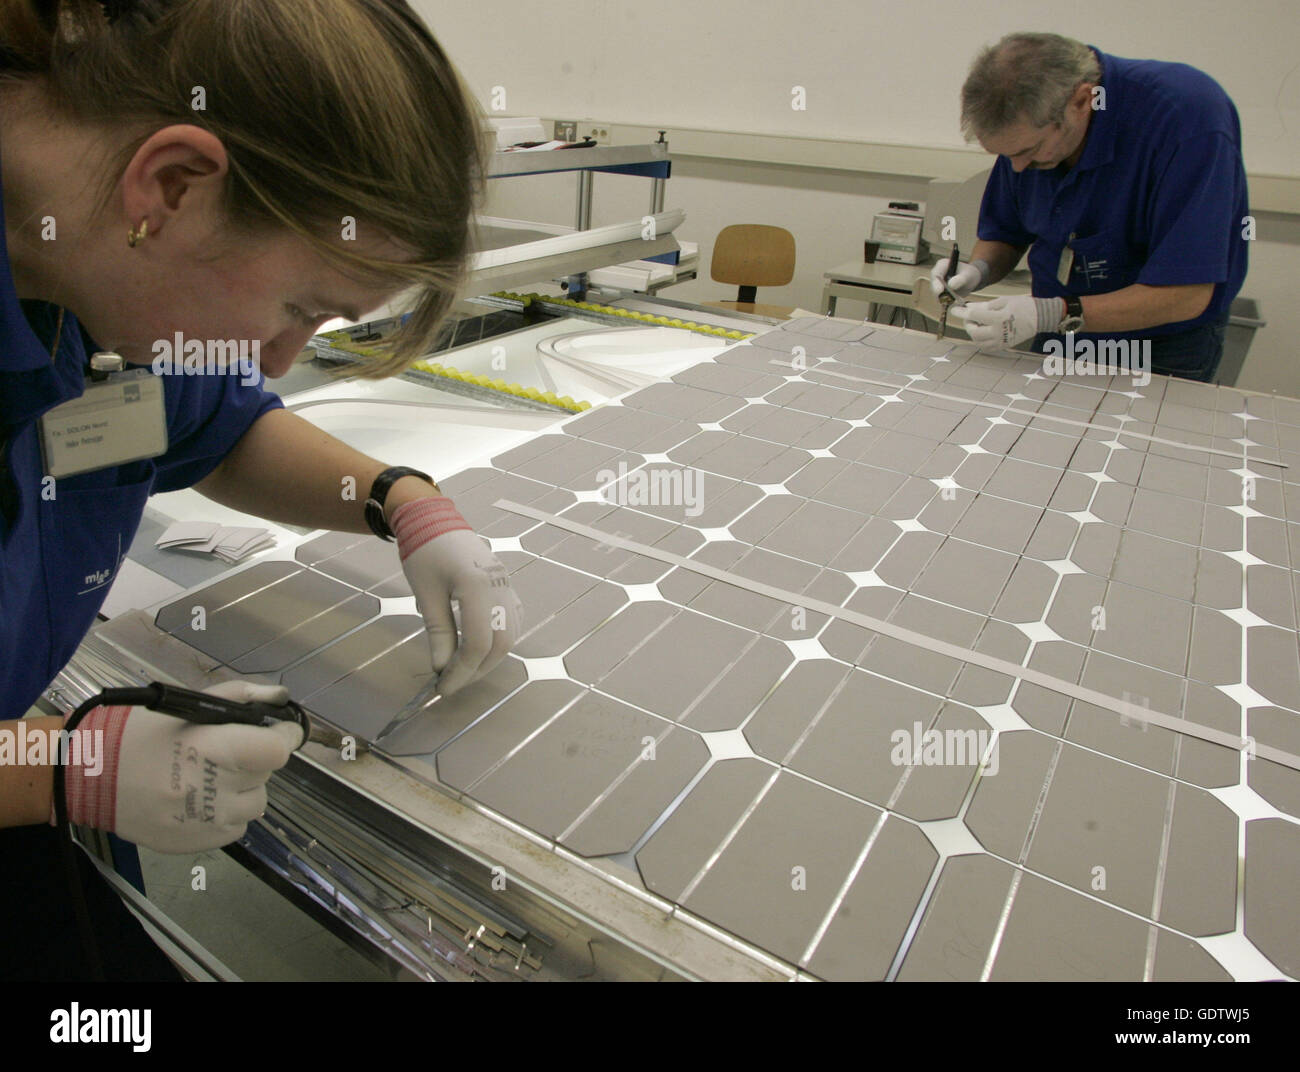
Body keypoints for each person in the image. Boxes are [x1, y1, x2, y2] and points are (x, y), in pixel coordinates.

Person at [0, 0, 522, 979]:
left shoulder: (86, 287)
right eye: (299, 308)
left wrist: (397, 499)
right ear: (174, 181)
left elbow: (205, 426)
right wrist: (59, 768)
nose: (282, 358)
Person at [931, 32, 1249, 383]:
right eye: (1007, 157)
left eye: (1026, 153)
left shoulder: (1188, 120)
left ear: (1082, 101)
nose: (1018, 168)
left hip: (1162, 343)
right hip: (1060, 326)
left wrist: (1050, 312)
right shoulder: (1030, 129)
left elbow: (1186, 294)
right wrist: (977, 270)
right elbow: (1007, 232)